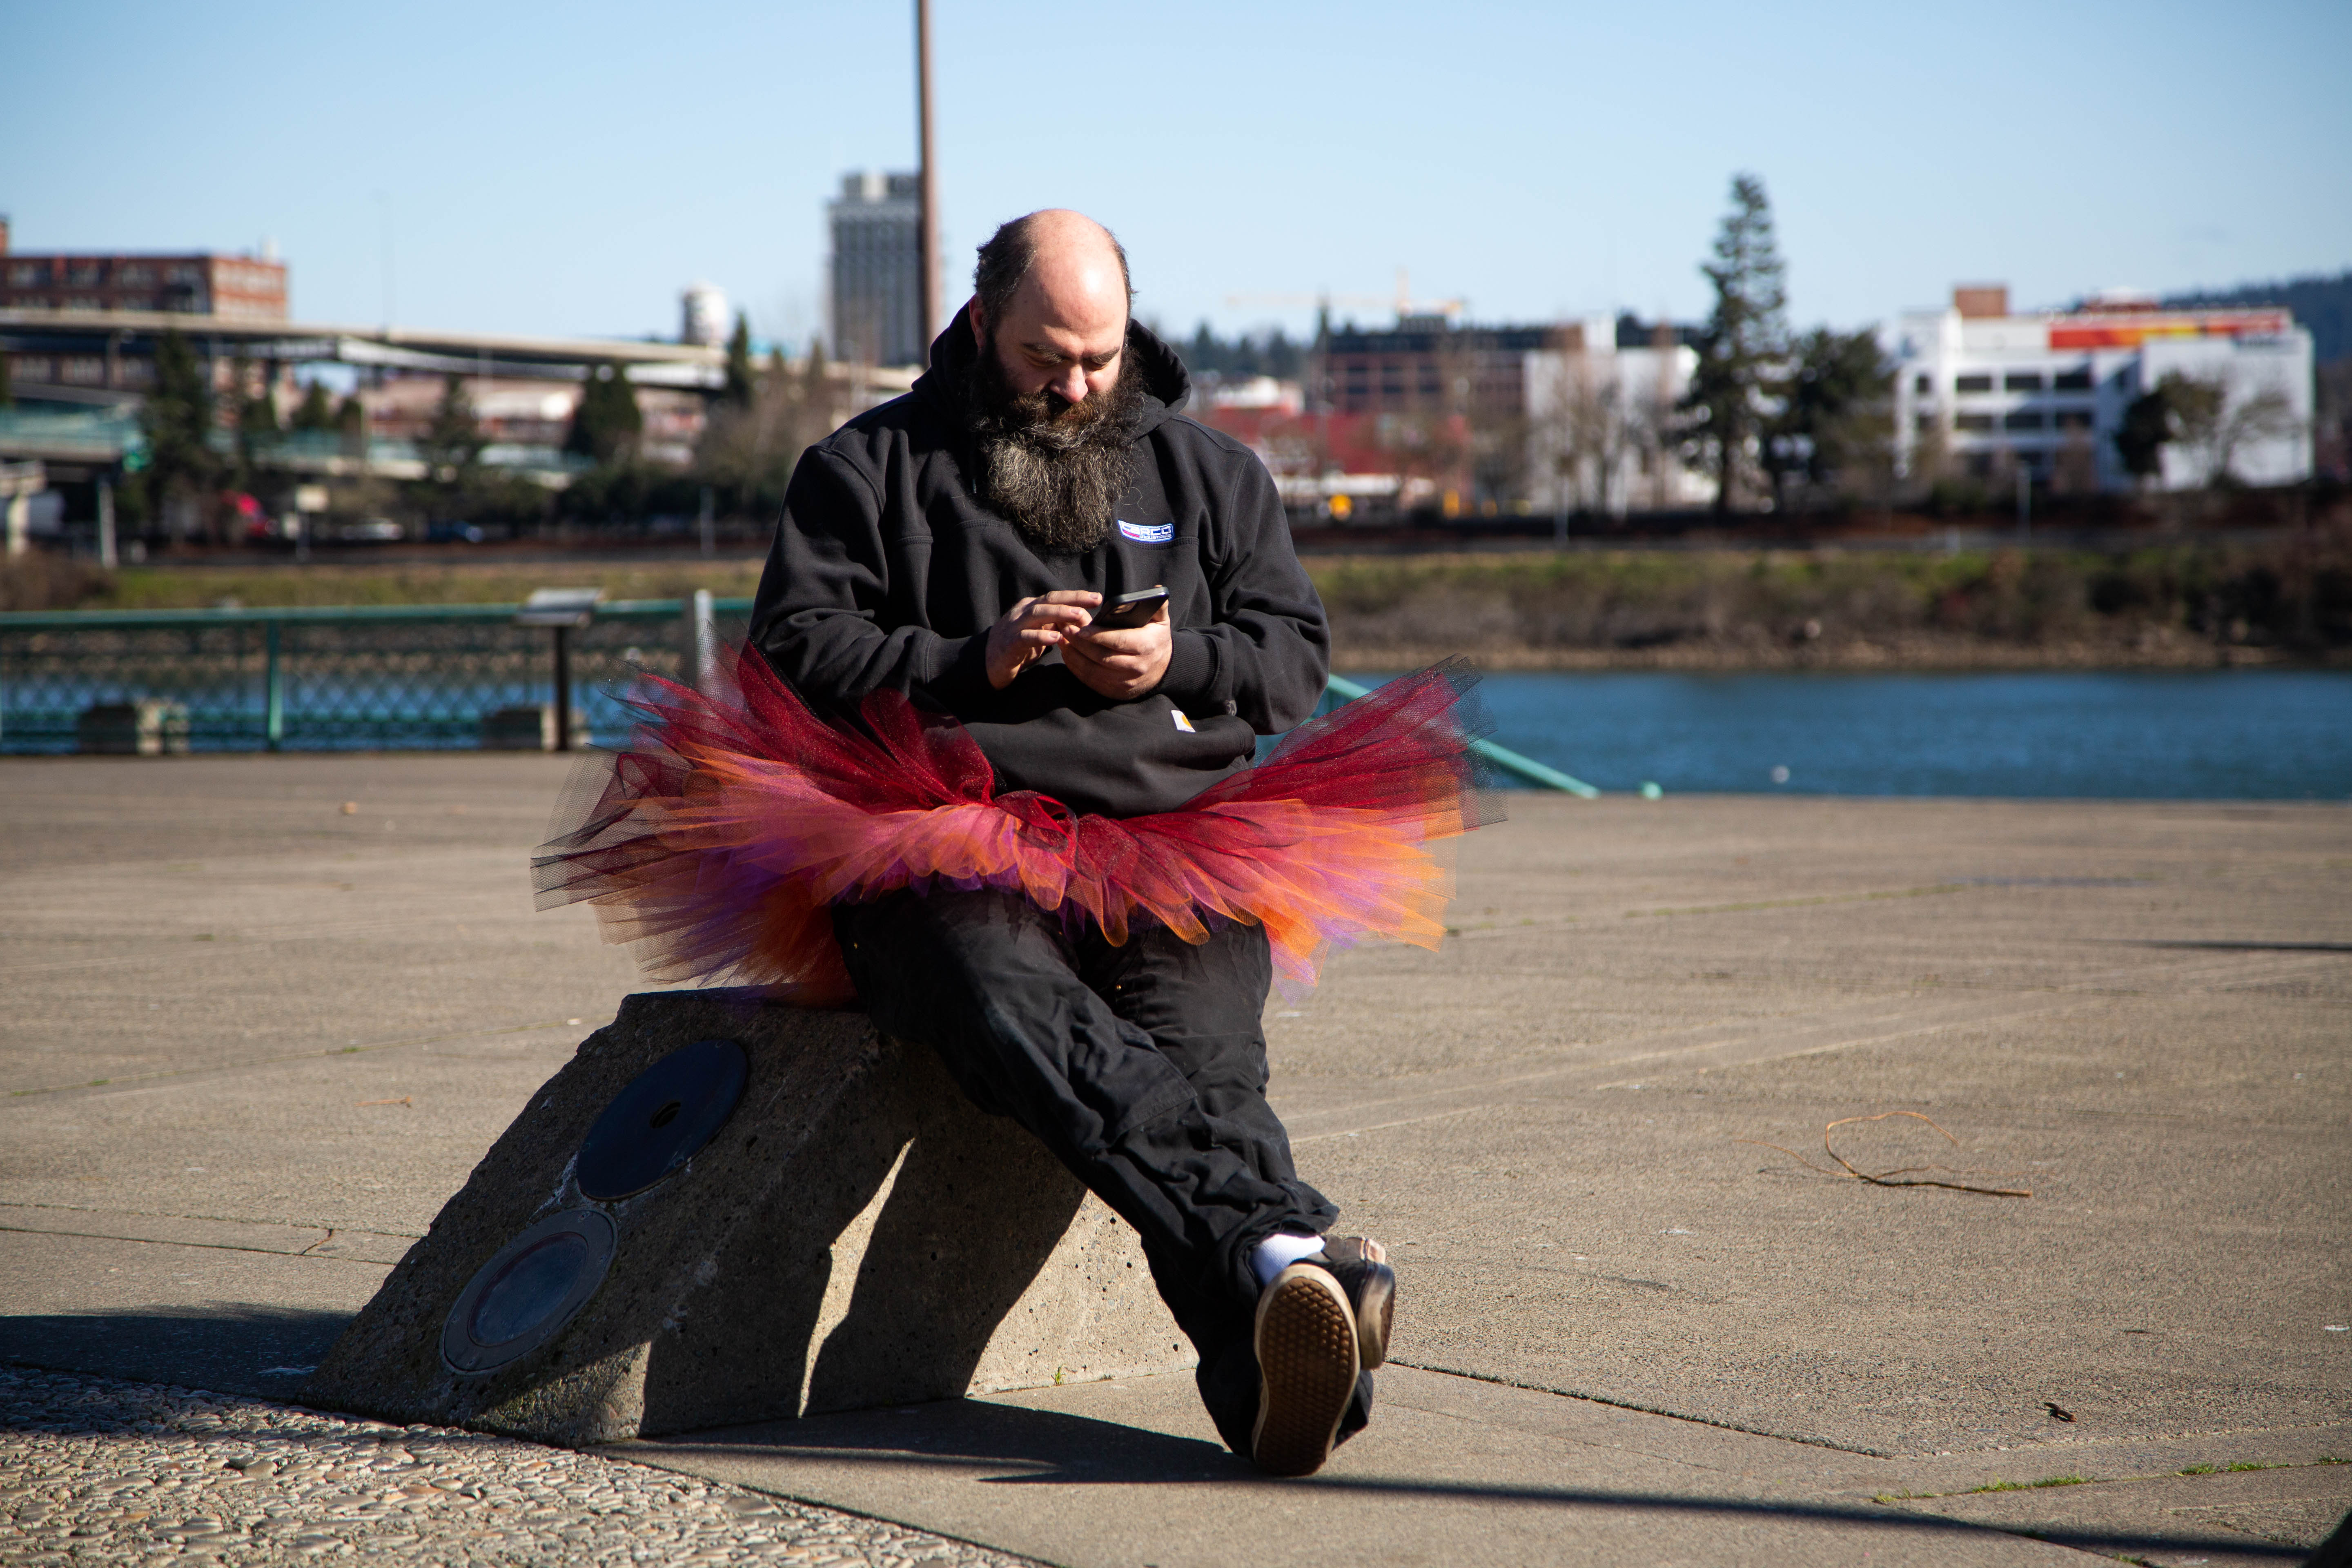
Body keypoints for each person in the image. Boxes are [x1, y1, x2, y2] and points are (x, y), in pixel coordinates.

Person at [539, 209, 1488, 1476]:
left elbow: (1293, 661)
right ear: (983, 326)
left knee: (1210, 1052)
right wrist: (965, 659)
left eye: (1102, 358)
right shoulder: (861, 468)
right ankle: (1281, 1248)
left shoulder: (1214, 473)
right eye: (1050, 356)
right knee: (1003, 999)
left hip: (1173, 835)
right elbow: (793, 657)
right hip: (930, 842)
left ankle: (1270, 1340)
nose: (1079, 386)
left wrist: (1178, 656)